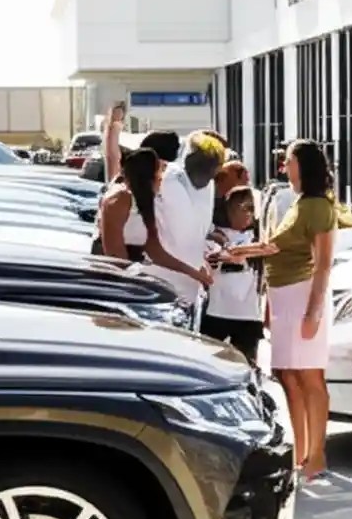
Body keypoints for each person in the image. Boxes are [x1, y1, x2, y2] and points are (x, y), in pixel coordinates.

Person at [265, 140, 336, 481]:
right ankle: (301, 452)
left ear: (303, 164)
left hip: (303, 296)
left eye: (289, 160)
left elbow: (323, 264)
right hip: (283, 298)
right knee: (289, 375)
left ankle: (317, 456)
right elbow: (275, 248)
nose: (284, 167)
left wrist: (313, 312)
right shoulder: (297, 203)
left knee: (309, 376)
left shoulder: (318, 206)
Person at [139, 128, 227, 330]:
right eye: (205, 165)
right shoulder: (170, 179)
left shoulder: (207, 186)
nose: (210, 173)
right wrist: (194, 270)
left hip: (191, 288)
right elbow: (178, 233)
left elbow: (196, 233)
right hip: (161, 282)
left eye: (214, 168)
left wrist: (207, 254)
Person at [94, 148, 210, 283]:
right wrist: (132, 280)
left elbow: (155, 251)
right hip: (110, 275)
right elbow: (113, 252)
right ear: (148, 177)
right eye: (159, 175)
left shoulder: (146, 203)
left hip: (130, 272)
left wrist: (193, 273)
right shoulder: (119, 199)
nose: (161, 180)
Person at [201, 186, 276, 365]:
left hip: (249, 316)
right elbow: (212, 259)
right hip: (217, 313)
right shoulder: (215, 235)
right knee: (209, 363)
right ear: (229, 209)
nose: (249, 213)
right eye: (243, 207)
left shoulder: (259, 238)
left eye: (252, 208)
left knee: (246, 366)